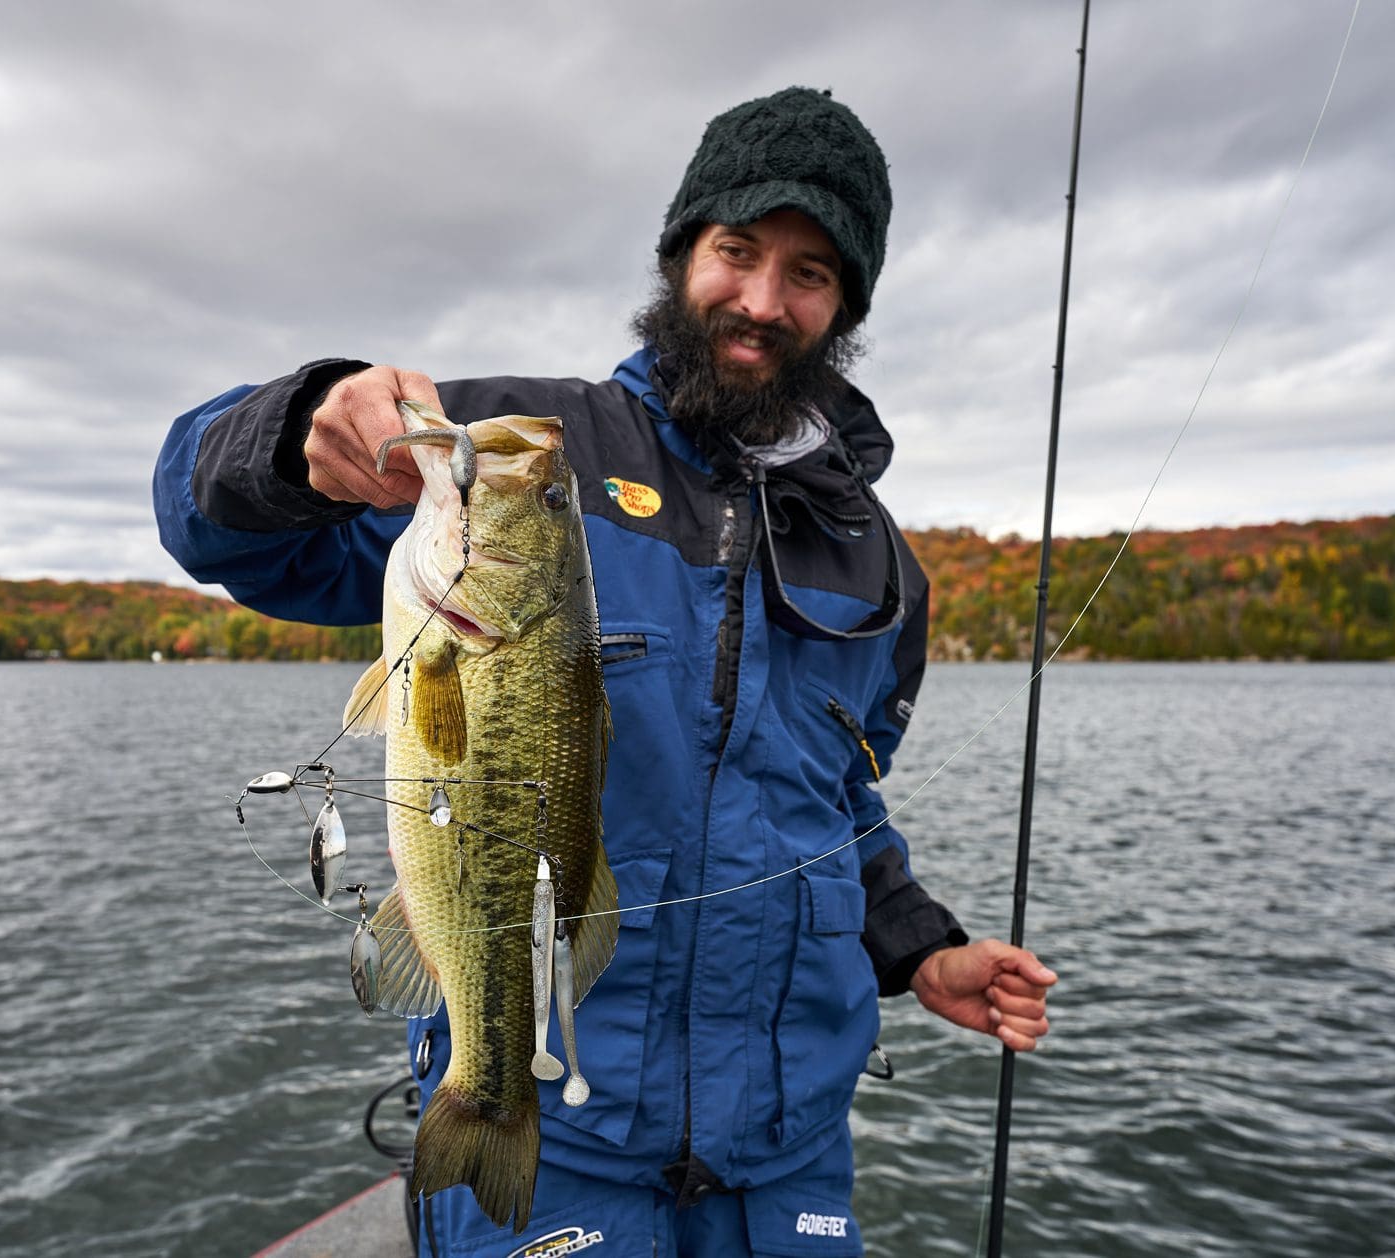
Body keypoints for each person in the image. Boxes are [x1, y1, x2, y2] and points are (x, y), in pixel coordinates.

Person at [155, 86, 1056, 1257]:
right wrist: (296, 427)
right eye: (735, 251)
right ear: (682, 252)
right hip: (565, 1127)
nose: (761, 300)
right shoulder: (511, 453)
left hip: (789, 1153)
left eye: (810, 272)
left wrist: (920, 944)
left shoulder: (879, 563)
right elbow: (207, 524)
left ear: (846, 306)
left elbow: (835, 805)